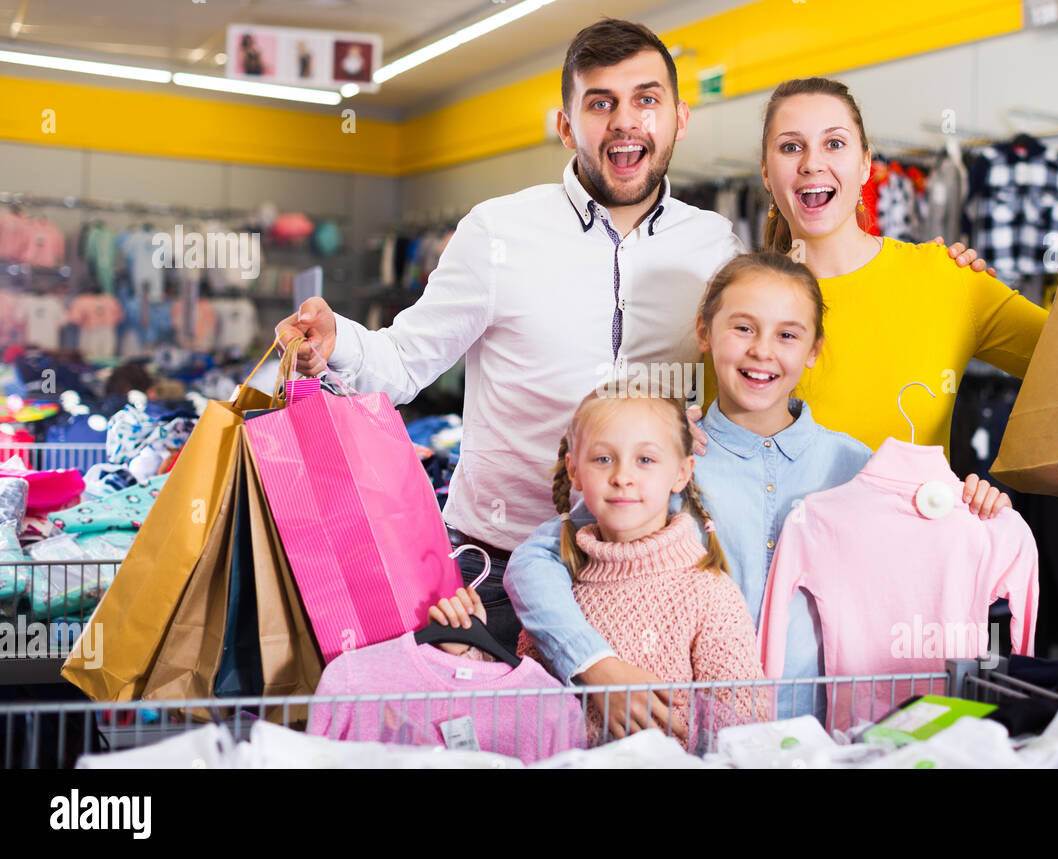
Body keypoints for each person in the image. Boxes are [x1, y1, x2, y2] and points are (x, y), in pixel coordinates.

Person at [273, 19, 988, 654]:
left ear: (677, 118)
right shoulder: (498, 233)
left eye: (646, 100)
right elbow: (403, 362)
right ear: (566, 124)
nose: (626, 122)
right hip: (494, 567)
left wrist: (937, 274)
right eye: (600, 102)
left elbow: (785, 333)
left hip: (642, 571)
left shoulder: (713, 243)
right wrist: (335, 343)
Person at [505, 252, 1014, 730]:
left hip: (820, 729)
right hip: (684, 733)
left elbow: (926, 569)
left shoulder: (858, 465)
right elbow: (538, 561)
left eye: (788, 335)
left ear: (814, 350)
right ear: (705, 332)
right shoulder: (665, 459)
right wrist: (594, 663)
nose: (762, 351)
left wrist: (975, 510)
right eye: (743, 327)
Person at [731, 76, 1058, 455]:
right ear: (766, 173)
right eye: (790, 147)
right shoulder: (739, 304)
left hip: (915, 538)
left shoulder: (945, 277)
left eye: (834, 143)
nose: (811, 163)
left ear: (864, 165)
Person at [428, 391, 767, 747]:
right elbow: (528, 708)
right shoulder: (561, 593)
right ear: (575, 470)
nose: (622, 476)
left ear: (681, 473)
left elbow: (744, 734)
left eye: (646, 459)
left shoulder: (709, 595)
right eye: (603, 458)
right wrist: (470, 651)